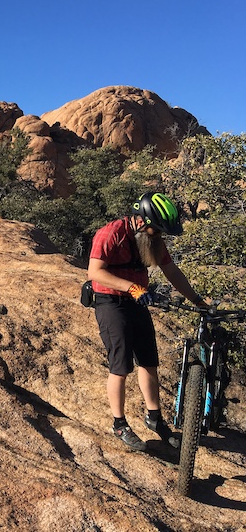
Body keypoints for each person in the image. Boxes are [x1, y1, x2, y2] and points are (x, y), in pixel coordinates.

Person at [87, 191, 208, 451]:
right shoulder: (111, 234)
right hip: (111, 302)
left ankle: (154, 419)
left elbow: (171, 271)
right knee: (120, 365)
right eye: (157, 230)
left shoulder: (151, 239)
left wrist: (197, 300)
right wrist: (131, 287)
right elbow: (95, 272)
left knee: (149, 360)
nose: (159, 236)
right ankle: (119, 423)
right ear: (141, 221)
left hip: (137, 300)